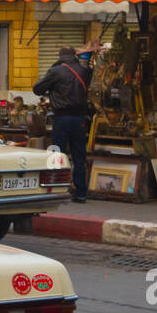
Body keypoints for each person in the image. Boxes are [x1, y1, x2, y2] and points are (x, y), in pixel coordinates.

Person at [34, 46, 93, 204]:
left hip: (61, 118)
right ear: (74, 55)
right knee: (79, 156)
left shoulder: (56, 71)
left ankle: (54, 189)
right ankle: (81, 193)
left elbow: (37, 89)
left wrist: (52, 86)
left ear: (60, 56)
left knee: (56, 154)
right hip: (80, 119)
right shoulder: (84, 71)